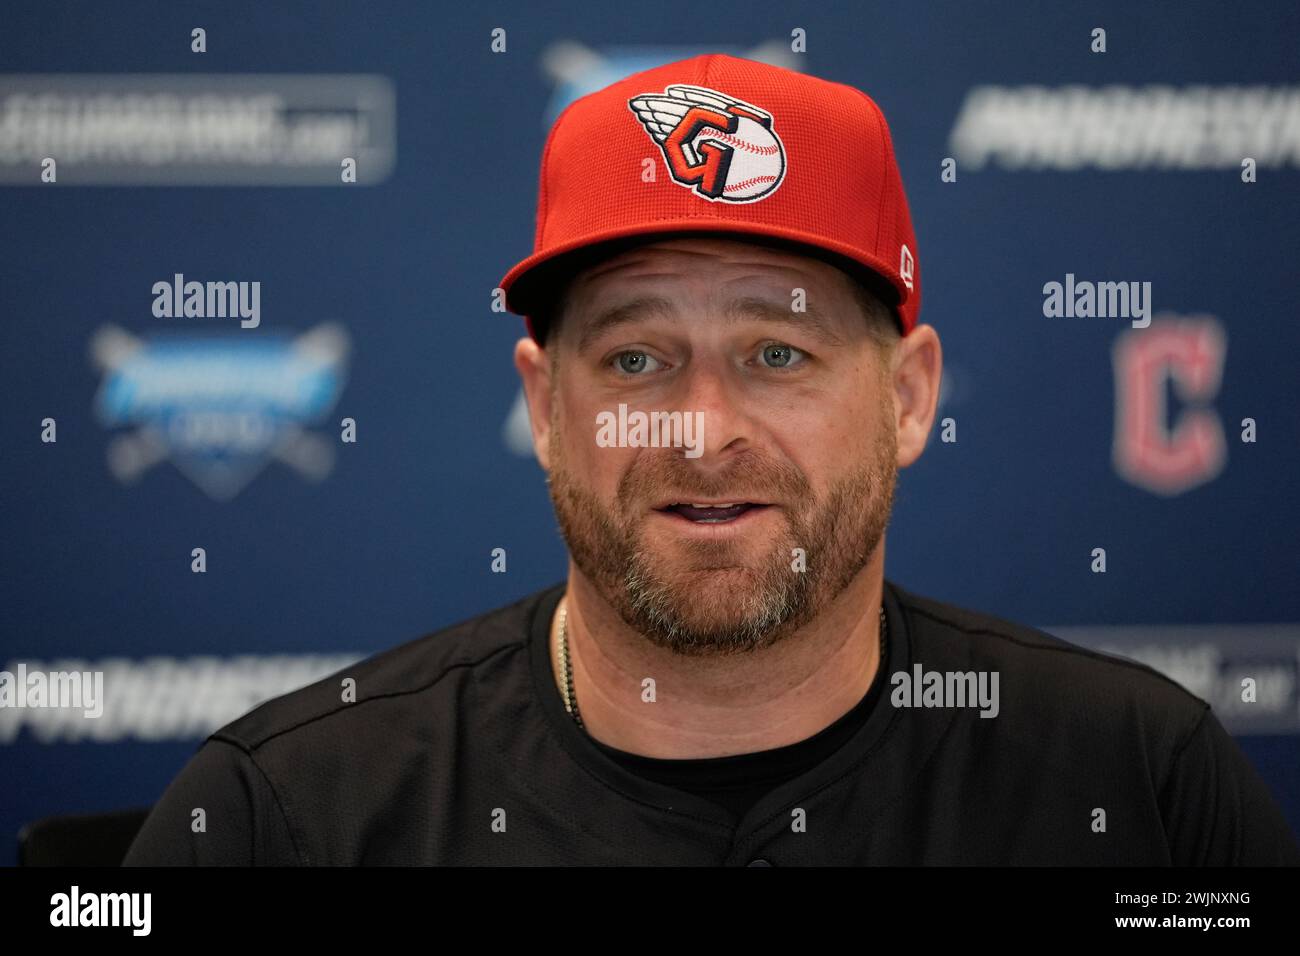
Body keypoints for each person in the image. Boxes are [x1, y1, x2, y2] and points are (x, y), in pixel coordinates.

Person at [124, 53, 1299, 866]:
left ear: (906, 396)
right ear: (544, 404)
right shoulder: (286, 813)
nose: (699, 428)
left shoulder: (1140, 784)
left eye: (777, 350)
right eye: (634, 360)